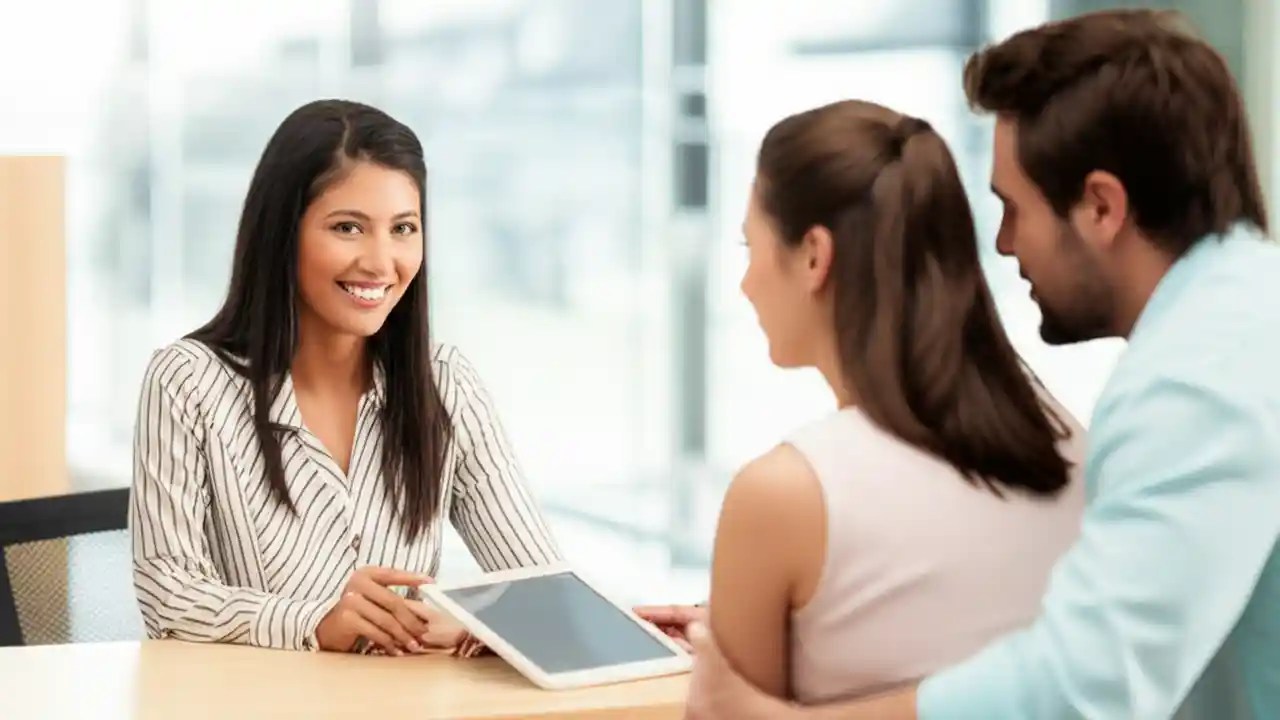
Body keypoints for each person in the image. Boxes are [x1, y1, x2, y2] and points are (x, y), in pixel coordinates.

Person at [680, 9, 1280, 719]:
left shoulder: (1193, 383)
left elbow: (1083, 684)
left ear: (1100, 207)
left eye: (1013, 207)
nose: (1000, 244)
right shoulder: (1226, 332)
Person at [130, 99, 561, 655]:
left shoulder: (443, 383)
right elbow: (169, 597)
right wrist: (315, 622)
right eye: (348, 227)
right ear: (283, 234)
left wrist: (480, 625)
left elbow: (541, 587)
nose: (382, 263)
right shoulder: (187, 383)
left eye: (403, 228)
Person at [698, 97, 1089, 704]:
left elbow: (721, 713)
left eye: (750, 247)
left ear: (813, 257)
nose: (745, 283)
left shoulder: (784, 493)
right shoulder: (1069, 443)